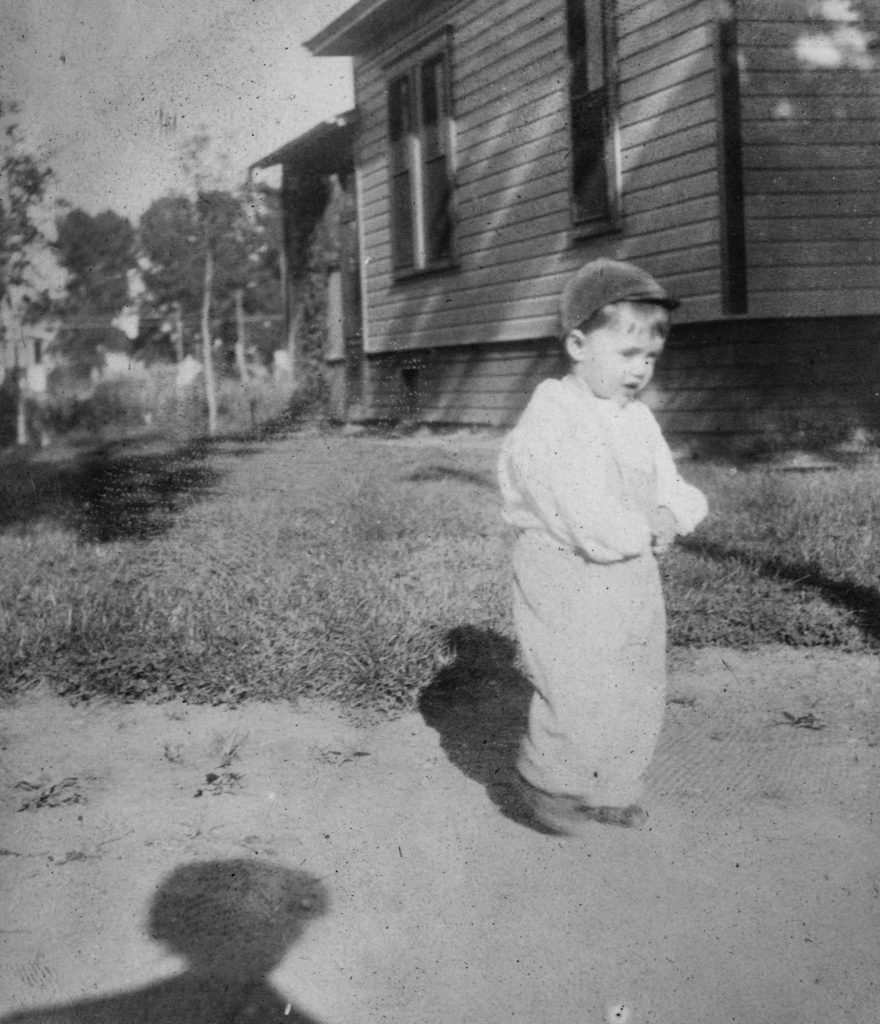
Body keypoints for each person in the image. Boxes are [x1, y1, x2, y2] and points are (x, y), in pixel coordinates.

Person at [497, 258, 708, 835]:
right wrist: (643, 529)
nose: (639, 370)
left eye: (650, 359)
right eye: (625, 354)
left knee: (636, 676)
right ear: (577, 343)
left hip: (631, 571)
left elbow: (674, 487)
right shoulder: (553, 415)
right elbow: (581, 514)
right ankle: (550, 781)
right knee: (575, 674)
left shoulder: (635, 420)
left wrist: (672, 511)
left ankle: (614, 784)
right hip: (564, 567)